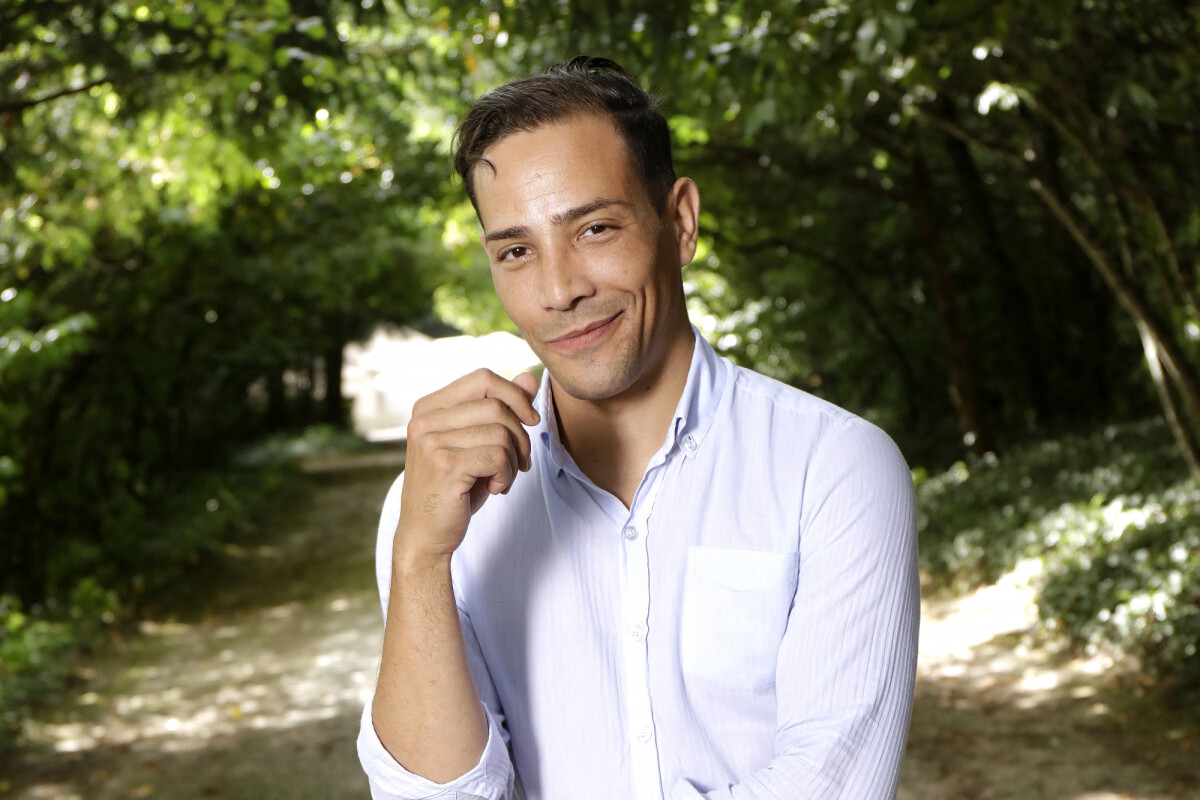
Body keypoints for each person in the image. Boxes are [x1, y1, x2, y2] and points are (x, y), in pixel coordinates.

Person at [357, 56, 920, 800]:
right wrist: (419, 561)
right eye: (517, 251)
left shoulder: (834, 468)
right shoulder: (434, 510)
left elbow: (832, 787)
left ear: (679, 222)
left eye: (595, 228)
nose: (559, 290)